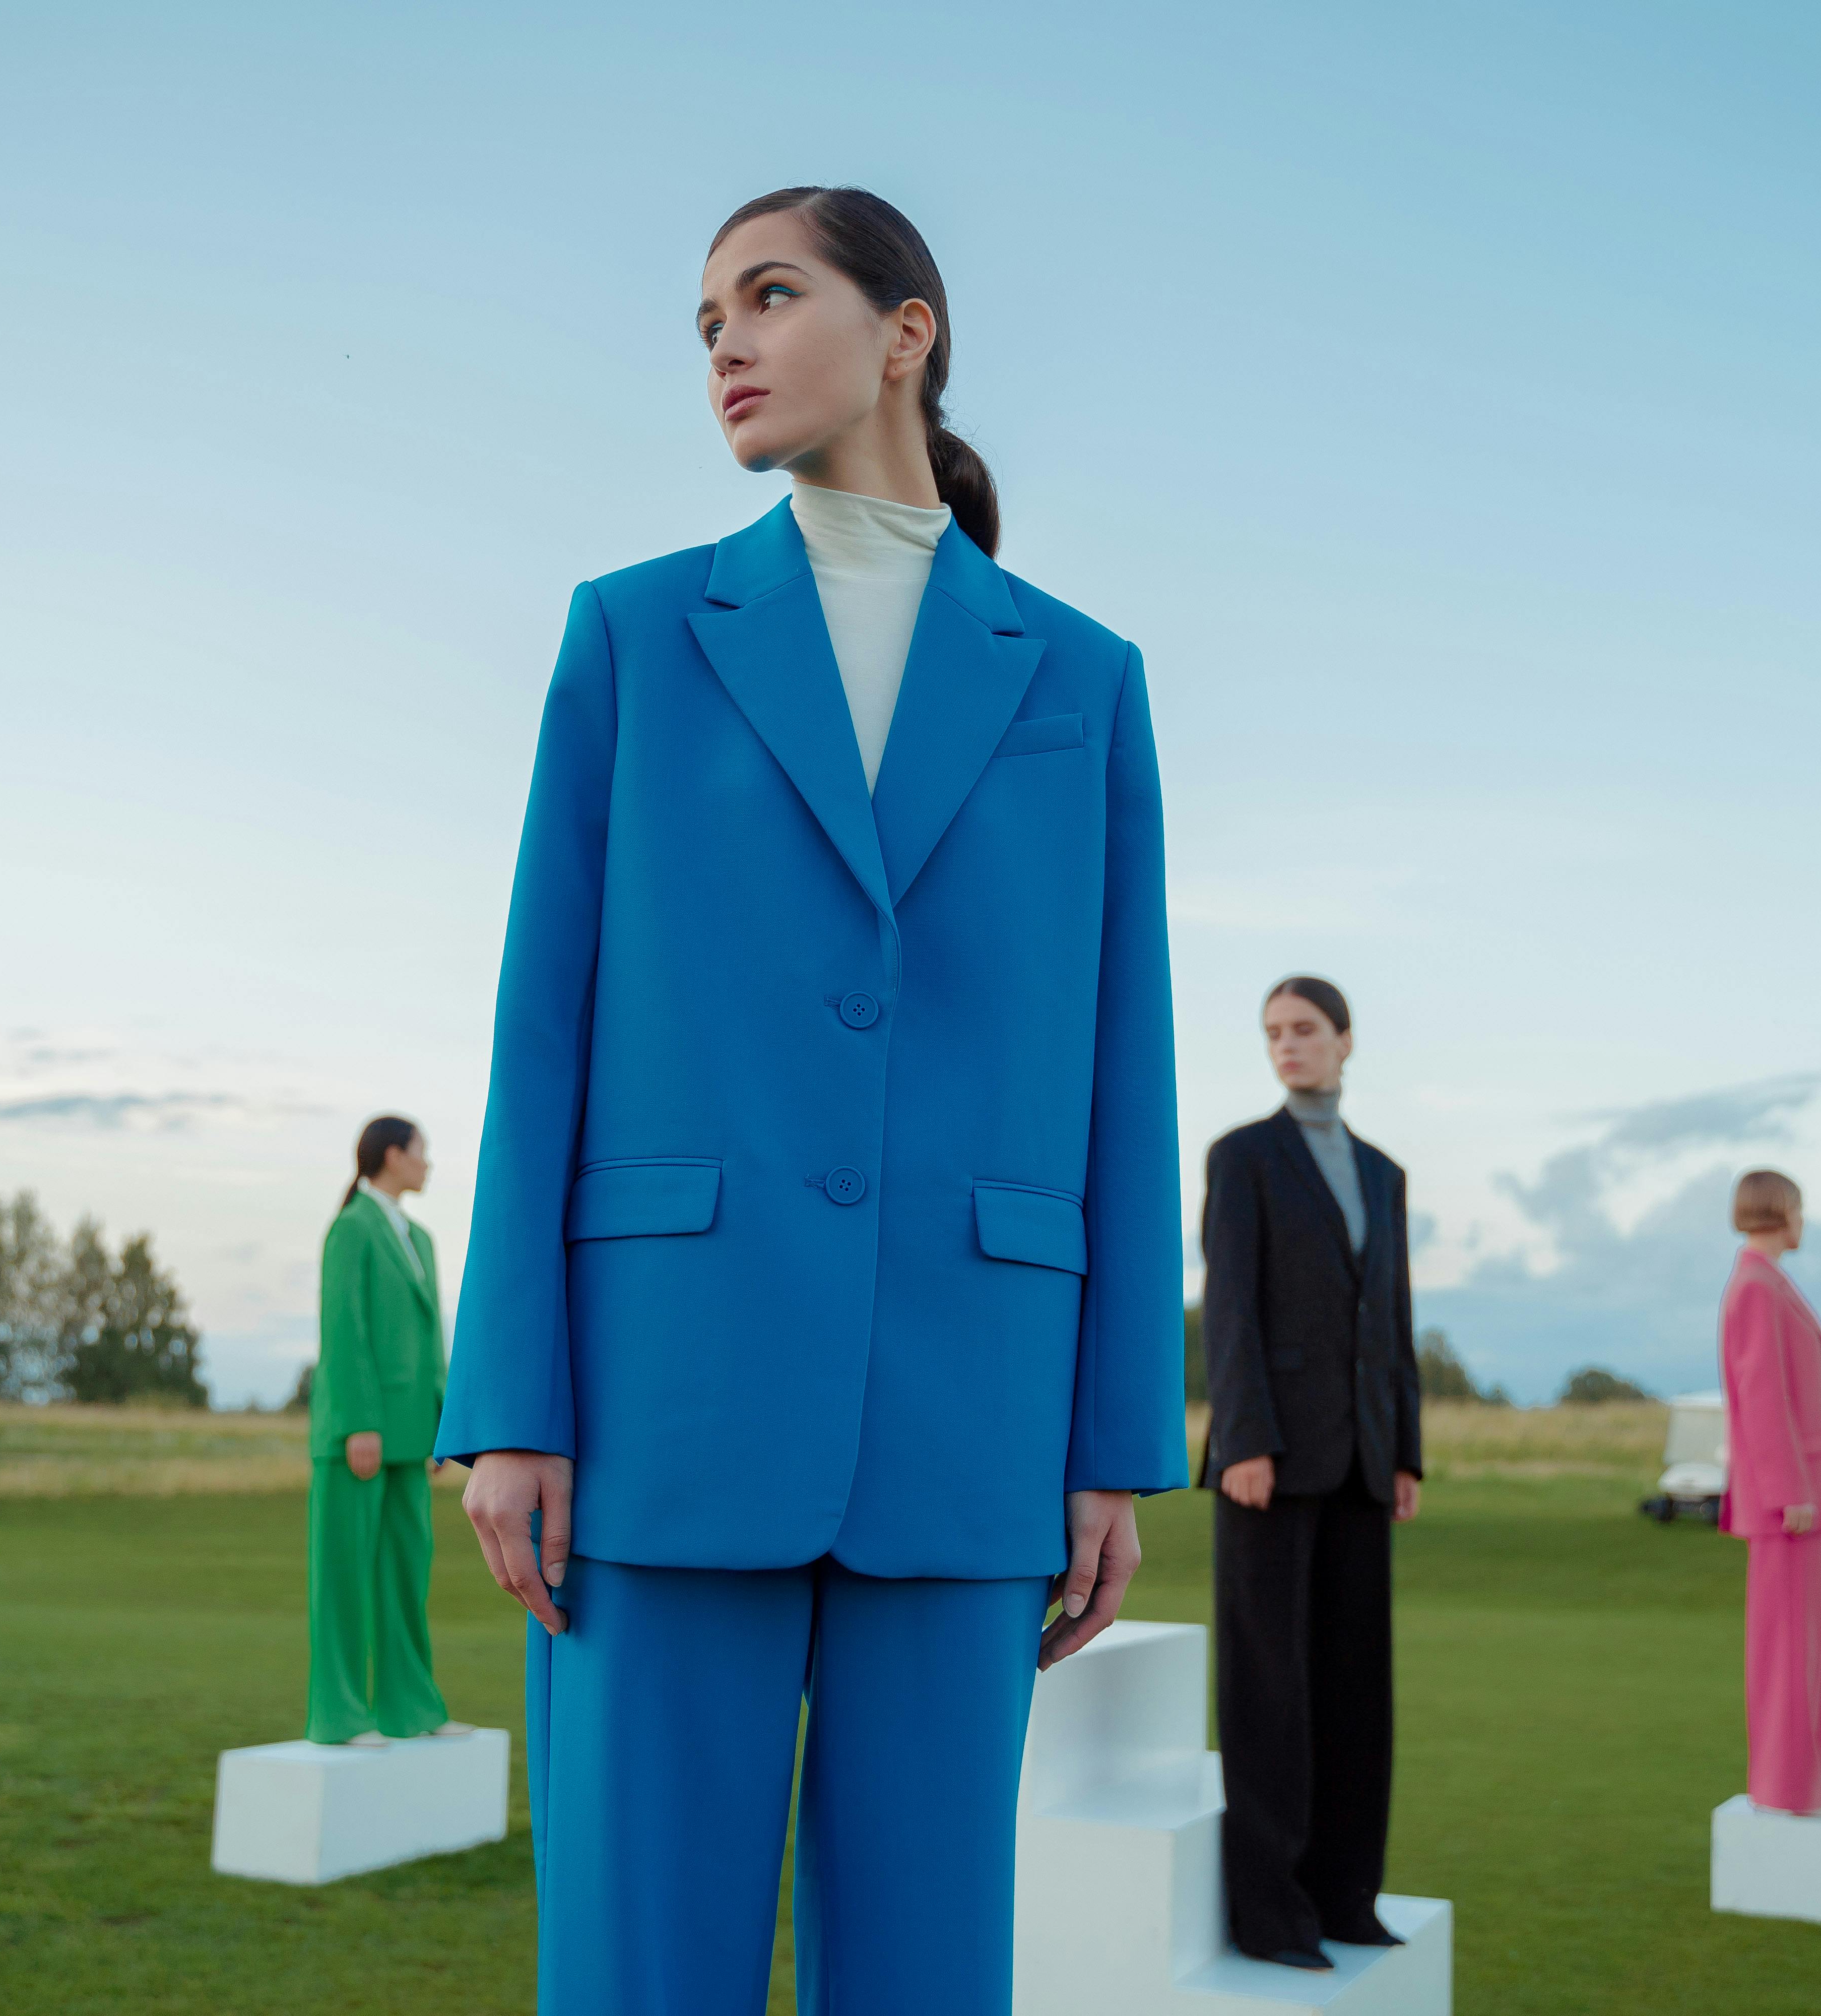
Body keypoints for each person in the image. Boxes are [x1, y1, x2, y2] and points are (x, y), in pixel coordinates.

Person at [434, 186, 1185, 2014]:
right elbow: (541, 1029)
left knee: (930, 1967)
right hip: (656, 1400)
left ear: (906, 328)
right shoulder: (630, 638)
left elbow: (1122, 1071)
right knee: (637, 1965)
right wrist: (510, 1400)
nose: (727, 347)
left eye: (766, 297)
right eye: (704, 323)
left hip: (972, 1411)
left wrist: (1108, 1438)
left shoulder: (1083, 680)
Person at [1199, 976, 1422, 1970]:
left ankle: (1346, 1897)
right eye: (1273, 1034)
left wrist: (1406, 1449)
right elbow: (1231, 1308)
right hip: (1269, 1461)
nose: (1287, 1047)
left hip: (1363, 1462)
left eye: (1304, 1031)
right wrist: (1241, 1437)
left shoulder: (1384, 1171)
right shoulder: (1242, 1156)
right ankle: (1271, 1912)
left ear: (1345, 1040)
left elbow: (1395, 1323)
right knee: (1268, 1693)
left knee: (1354, 1688)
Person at [1718, 1168, 1821, 1814]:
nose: (1804, 1219)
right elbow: (1763, 1399)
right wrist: (1791, 1491)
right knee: (1792, 1653)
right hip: (1794, 1510)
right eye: (1800, 1208)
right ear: (1780, 1211)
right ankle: (1788, 1792)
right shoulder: (1756, 1288)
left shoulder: (1771, 1282)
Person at [304, 1114, 451, 1746]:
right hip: (358, 1438)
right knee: (343, 1577)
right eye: (422, 1153)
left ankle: (410, 1708)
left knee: (405, 1575)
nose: (429, 1165)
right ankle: (338, 1716)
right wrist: (360, 1425)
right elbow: (345, 1332)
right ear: (393, 1156)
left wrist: (447, 1423)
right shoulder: (351, 1228)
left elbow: (431, 1342)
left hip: (414, 1434)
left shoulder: (419, 1237)